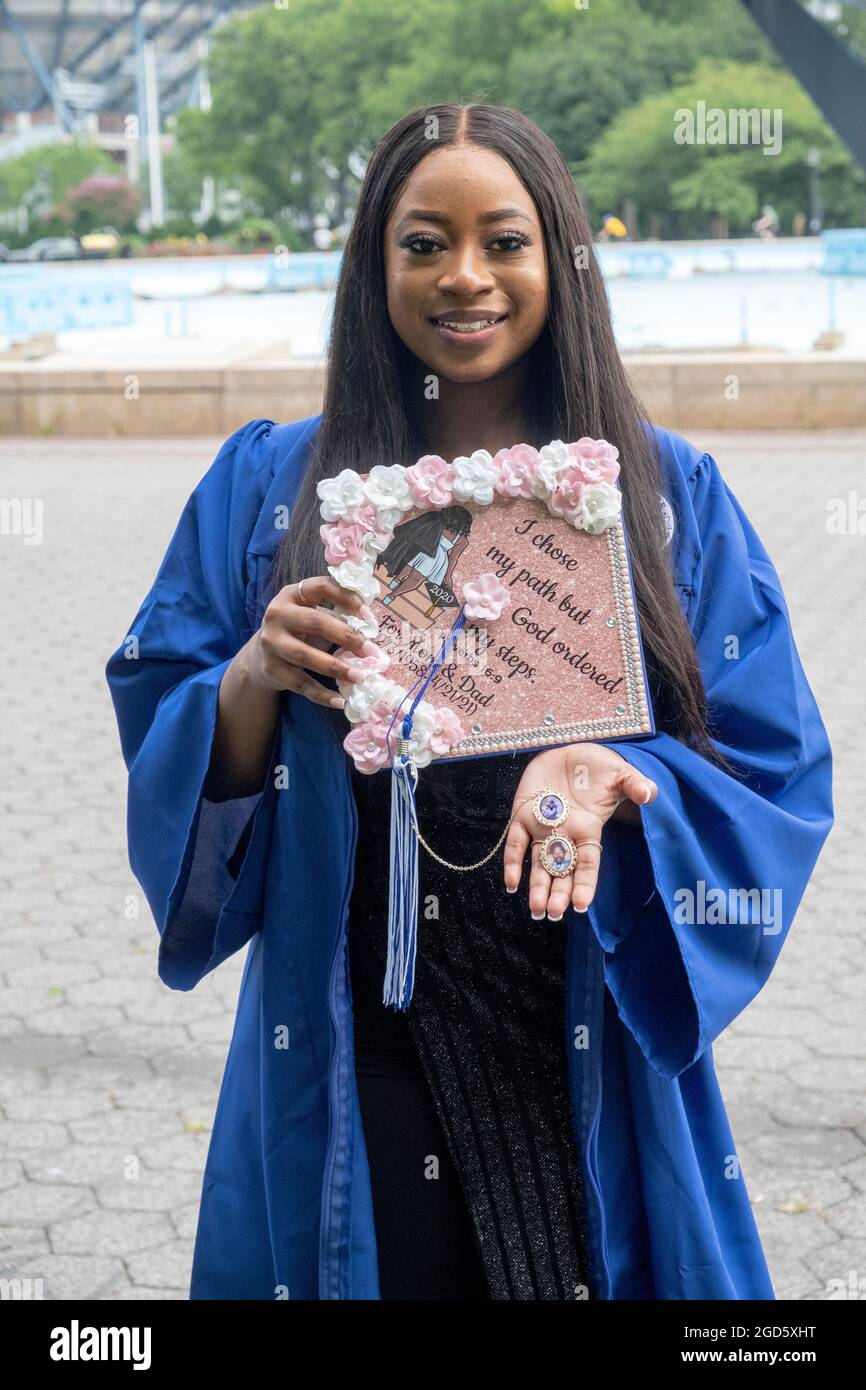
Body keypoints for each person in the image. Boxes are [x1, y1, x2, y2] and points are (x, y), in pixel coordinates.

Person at [105, 103, 833, 1301]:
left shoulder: (657, 497)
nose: (464, 277)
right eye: (421, 242)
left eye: (503, 241)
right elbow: (168, 722)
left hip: (579, 1031)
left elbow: (773, 769)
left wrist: (618, 775)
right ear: (371, 266)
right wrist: (248, 683)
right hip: (351, 1045)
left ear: (559, 258)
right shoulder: (270, 488)